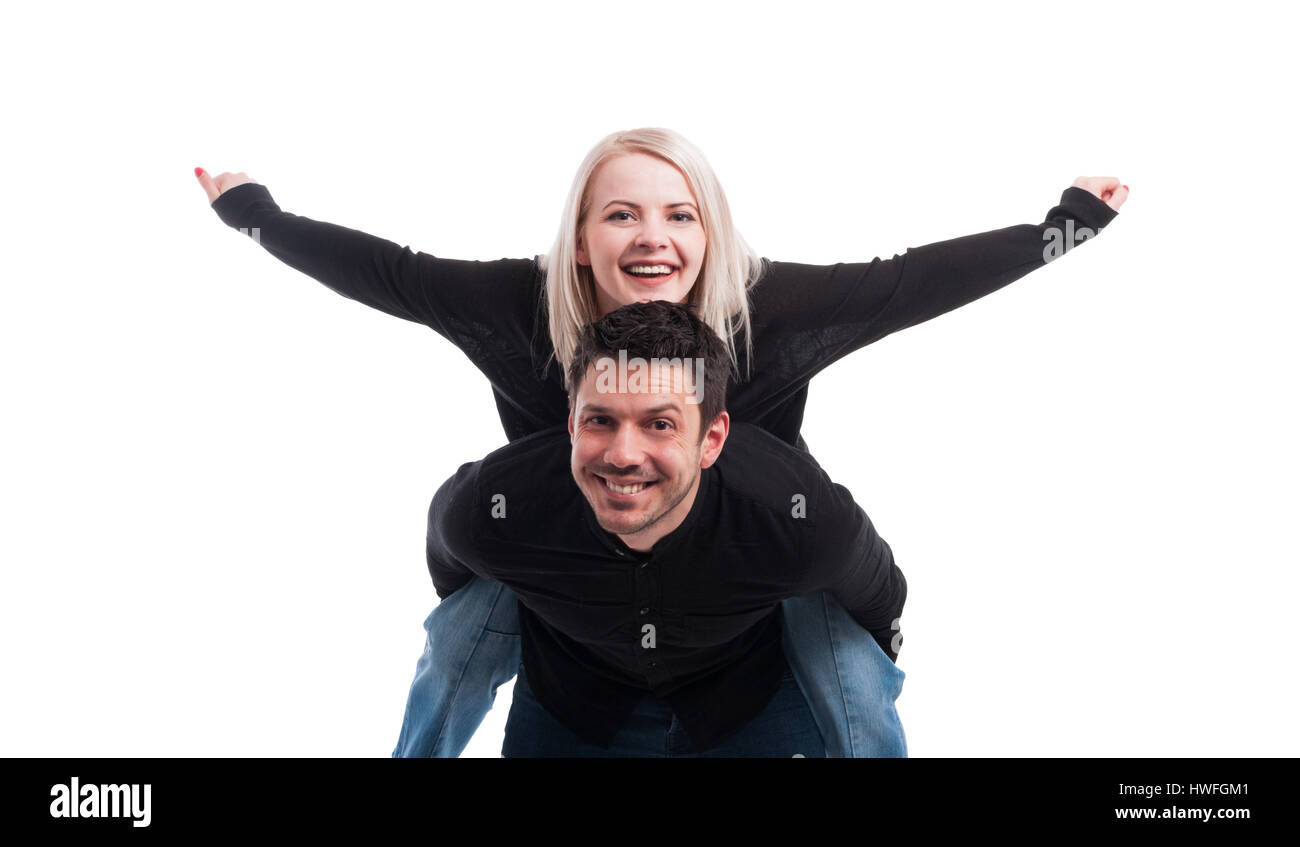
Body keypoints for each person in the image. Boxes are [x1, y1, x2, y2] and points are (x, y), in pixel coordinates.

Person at [197, 128, 1125, 756]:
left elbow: (912, 284)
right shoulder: (518, 308)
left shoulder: (767, 310)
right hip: (572, 544)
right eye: (622, 214)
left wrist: (1067, 227)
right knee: (460, 631)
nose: (653, 238)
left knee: (846, 653)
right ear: (580, 237)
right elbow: (386, 273)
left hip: (749, 552)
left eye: (679, 214)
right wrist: (257, 215)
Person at [427, 301, 905, 756]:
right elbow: (450, 558)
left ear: (711, 440)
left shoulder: (792, 516)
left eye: (658, 423)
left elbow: (879, 591)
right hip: (573, 706)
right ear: (572, 424)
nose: (623, 455)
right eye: (600, 420)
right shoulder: (501, 504)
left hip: (745, 705)